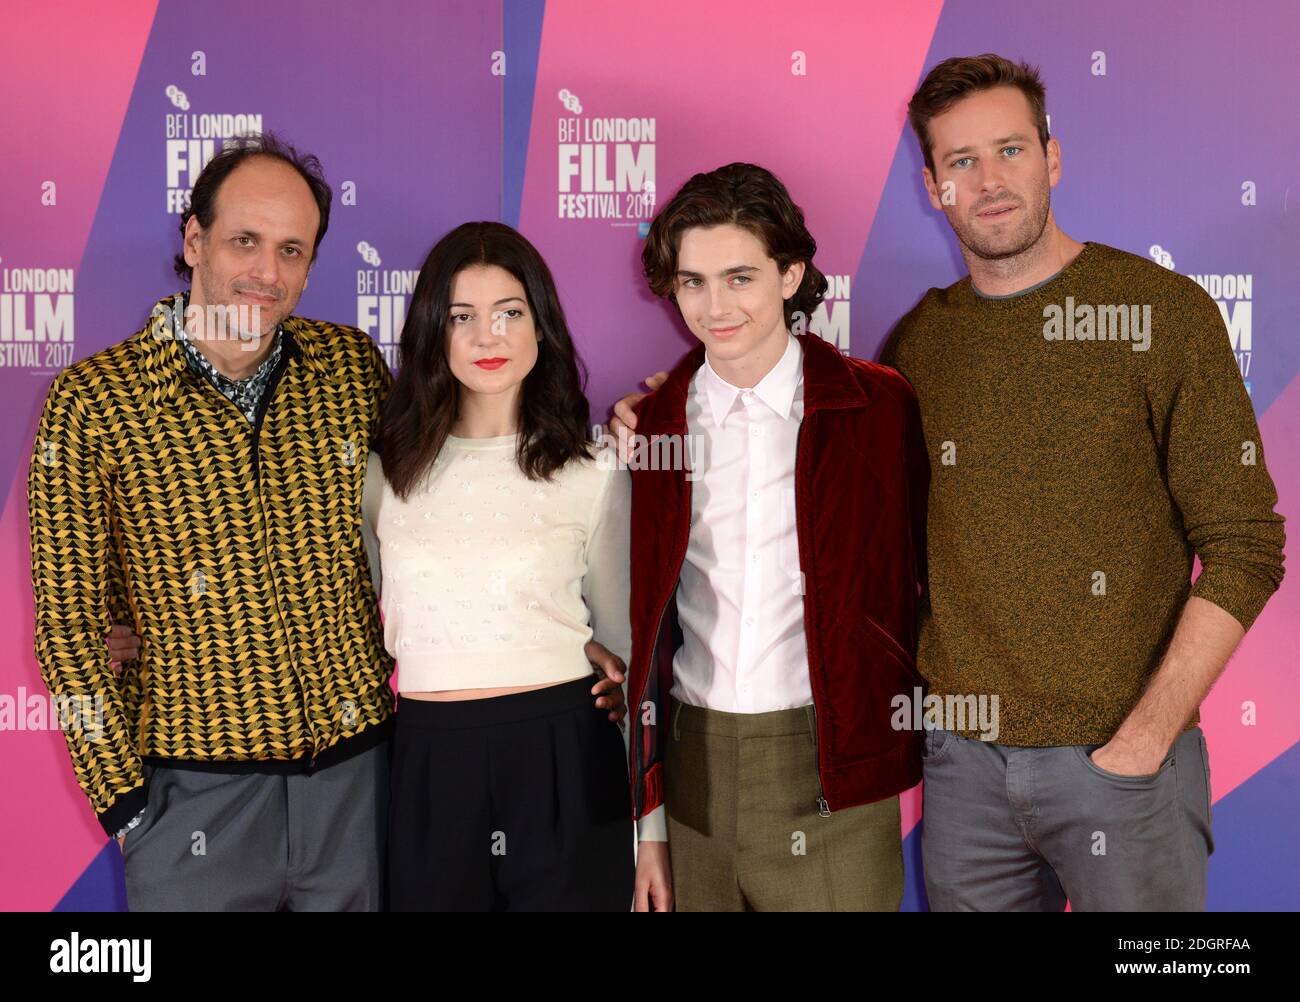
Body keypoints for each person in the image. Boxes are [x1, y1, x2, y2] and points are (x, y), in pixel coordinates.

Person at [34, 133, 626, 912]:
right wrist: (125, 805)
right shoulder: (93, 404)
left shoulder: (348, 368)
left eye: (292, 249)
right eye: (245, 240)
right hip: (195, 800)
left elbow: (453, 511)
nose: (266, 271)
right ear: (194, 240)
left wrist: (550, 628)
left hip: (361, 787)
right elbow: (68, 626)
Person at [878, 53, 1284, 911]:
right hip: (963, 773)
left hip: (1128, 773)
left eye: (1010, 150)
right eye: (961, 162)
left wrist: (1145, 738)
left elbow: (1248, 544)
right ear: (933, 185)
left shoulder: (1162, 314)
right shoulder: (921, 343)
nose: (989, 181)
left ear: (1053, 157)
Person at [617, 163, 929, 910]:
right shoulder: (652, 427)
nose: (714, 306)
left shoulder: (878, 408)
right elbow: (644, 632)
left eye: (739, 277)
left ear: (791, 275)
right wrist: (648, 825)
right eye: (691, 282)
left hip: (836, 768)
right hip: (694, 771)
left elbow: (925, 572)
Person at [365, 221, 668, 911]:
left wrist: (651, 831)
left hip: (564, 756)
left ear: (541, 325)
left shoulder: (593, 472)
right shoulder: (385, 476)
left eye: (509, 313)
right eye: (462, 317)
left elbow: (628, 661)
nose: (487, 337)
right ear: (433, 332)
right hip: (428, 765)